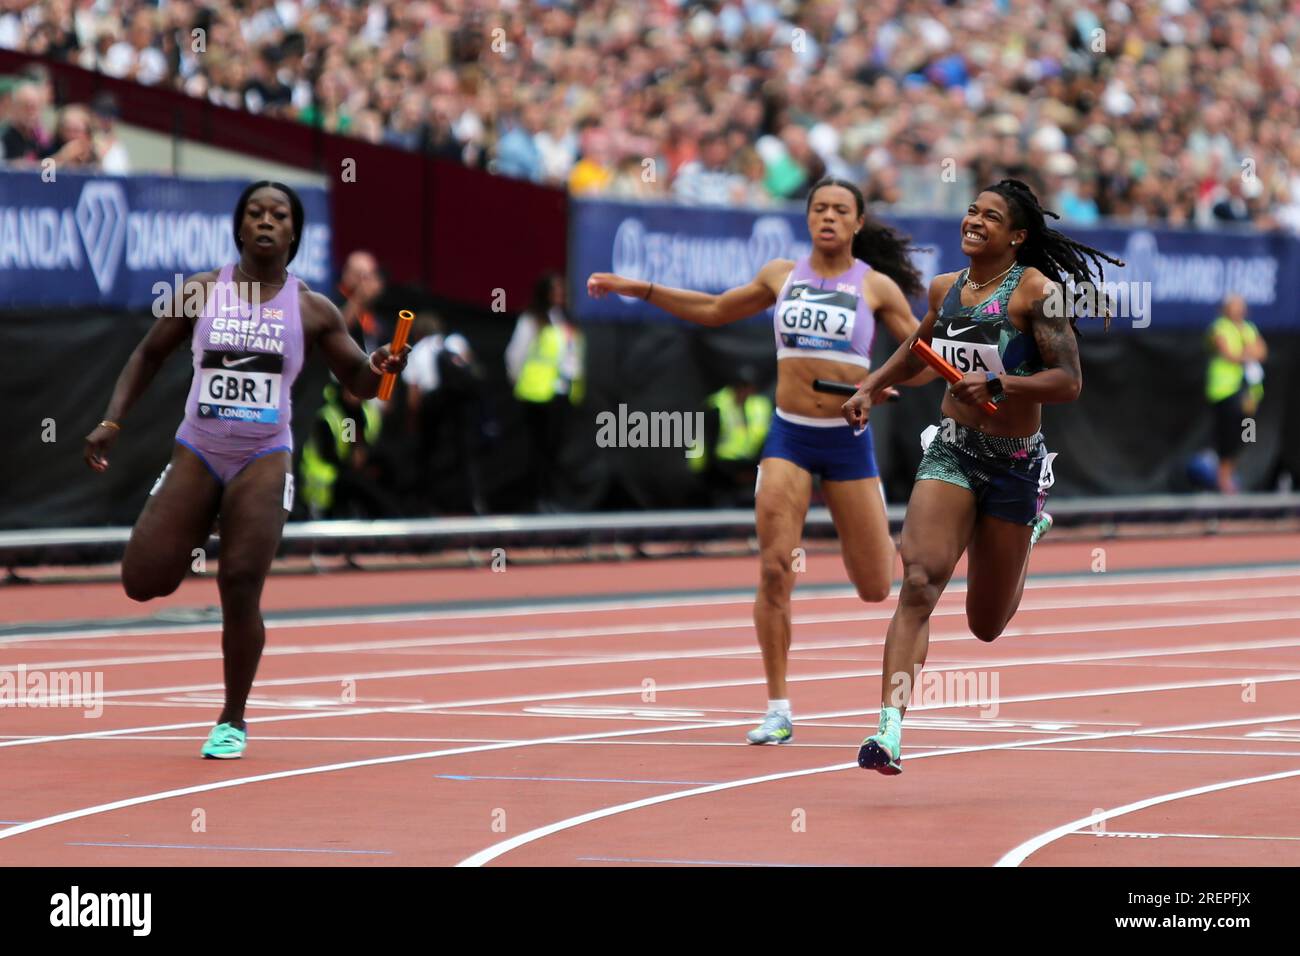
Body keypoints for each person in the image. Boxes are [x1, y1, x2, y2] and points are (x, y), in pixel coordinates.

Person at [589, 177, 931, 745]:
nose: (827, 217)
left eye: (839, 210)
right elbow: (716, 308)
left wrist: (879, 382)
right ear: (808, 218)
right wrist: (642, 288)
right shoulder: (781, 275)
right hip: (790, 439)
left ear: (857, 223)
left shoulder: (877, 288)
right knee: (775, 567)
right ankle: (777, 707)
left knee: (875, 585)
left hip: (847, 443)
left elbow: (917, 355)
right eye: (819, 208)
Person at [83, 181, 410, 759]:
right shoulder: (202, 291)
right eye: (254, 212)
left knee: (239, 584)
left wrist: (381, 365)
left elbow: (359, 384)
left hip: (263, 455)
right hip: (199, 448)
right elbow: (148, 354)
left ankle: (232, 718)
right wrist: (113, 420)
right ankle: (202, 515)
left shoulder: (313, 309)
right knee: (142, 580)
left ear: (292, 233)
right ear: (239, 228)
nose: (265, 221)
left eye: (277, 214)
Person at [842, 179, 1123, 774]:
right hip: (954, 450)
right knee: (919, 581)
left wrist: (1001, 384)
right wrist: (870, 384)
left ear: (1016, 236)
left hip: (1015, 463)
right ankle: (888, 730)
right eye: (972, 210)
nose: (974, 220)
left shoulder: (1038, 294)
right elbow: (921, 351)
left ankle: (1028, 534)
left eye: (990, 216)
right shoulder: (947, 289)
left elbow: (1068, 382)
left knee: (985, 625)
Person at [506, 272, 585, 512]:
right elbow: (515, 355)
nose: (560, 295)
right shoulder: (532, 320)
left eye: (563, 290)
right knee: (538, 450)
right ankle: (538, 500)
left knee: (558, 451)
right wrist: (520, 382)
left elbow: (573, 357)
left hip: (563, 393)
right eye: (555, 290)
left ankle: (556, 499)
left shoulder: (567, 321)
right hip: (537, 395)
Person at [1205, 294, 1267, 494]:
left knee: (1248, 433)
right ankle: (1222, 479)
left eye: (1241, 306)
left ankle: (1231, 472)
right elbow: (1228, 354)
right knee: (1228, 434)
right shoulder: (1219, 327)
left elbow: (1262, 351)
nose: (1238, 310)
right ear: (1226, 309)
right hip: (1226, 391)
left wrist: (1245, 353)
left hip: (1249, 393)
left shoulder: (1249, 328)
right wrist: (1247, 353)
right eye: (1234, 306)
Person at [689, 366, 774, 507]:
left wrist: (754, 470)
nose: (745, 392)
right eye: (741, 387)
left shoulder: (760, 406)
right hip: (722, 472)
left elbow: (766, 440)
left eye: (748, 387)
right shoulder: (716, 407)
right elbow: (707, 450)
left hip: (752, 468)